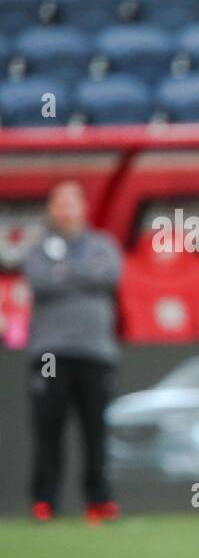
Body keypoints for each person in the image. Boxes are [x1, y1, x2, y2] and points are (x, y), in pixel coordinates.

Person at [23, 182, 123, 524]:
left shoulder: (103, 245)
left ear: (84, 207)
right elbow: (41, 282)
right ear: (51, 209)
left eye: (72, 203)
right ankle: (45, 502)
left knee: (95, 429)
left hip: (95, 352)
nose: (66, 210)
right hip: (51, 353)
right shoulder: (39, 249)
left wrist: (65, 272)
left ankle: (98, 501)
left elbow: (109, 275)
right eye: (60, 203)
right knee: (49, 426)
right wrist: (82, 274)